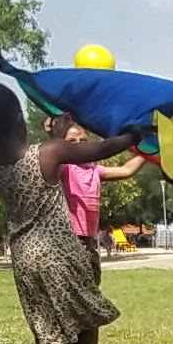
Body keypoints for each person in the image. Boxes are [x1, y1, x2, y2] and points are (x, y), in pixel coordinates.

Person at [0, 87, 135, 344]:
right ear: (19, 118)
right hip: (57, 253)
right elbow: (103, 148)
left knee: (67, 325)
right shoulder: (45, 154)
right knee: (59, 336)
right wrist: (135, 134)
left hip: (24, 256)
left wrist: (58, 136)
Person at [45, 118, 147, 285]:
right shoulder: (64, 169)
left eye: (83, 140)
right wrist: (52, 135)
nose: (78, 144)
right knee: (73, 291)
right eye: (71, 141)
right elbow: (52, 156)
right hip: (68, 240)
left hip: (89, 241)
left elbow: (126, 170)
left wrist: (149, 151)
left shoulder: (95, 171)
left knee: (92, 286)